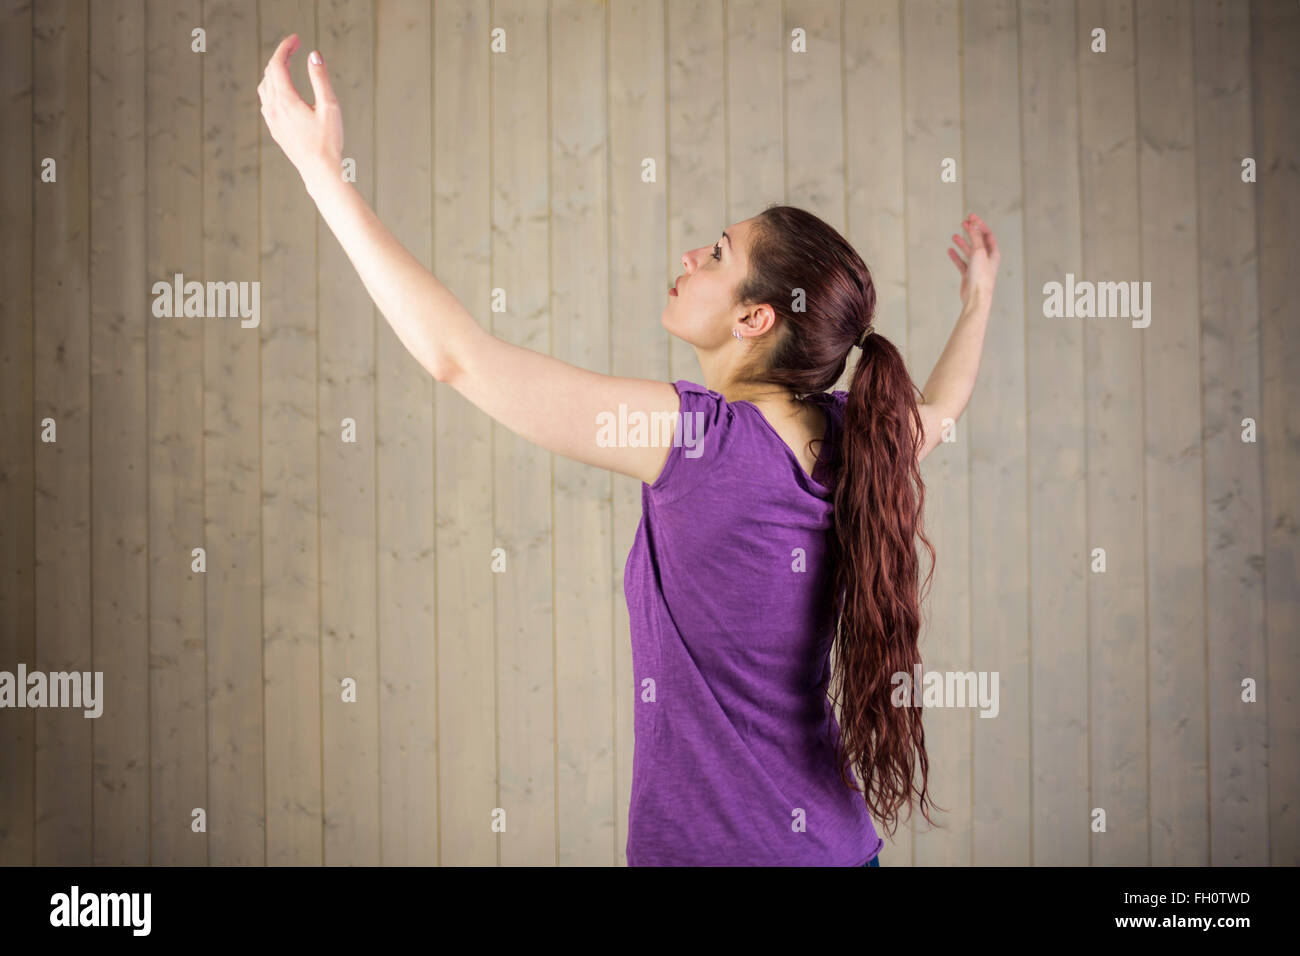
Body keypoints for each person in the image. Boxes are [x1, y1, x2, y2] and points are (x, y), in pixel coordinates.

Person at [257, 34, 1002, 866]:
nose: (691, 255)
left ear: (756, 318)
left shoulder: (698, 440)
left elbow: (456, 356)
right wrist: (979, 300)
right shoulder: (860, 441)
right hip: (841, 846)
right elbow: (943, 403)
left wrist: (320, 169)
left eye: (718, 254)